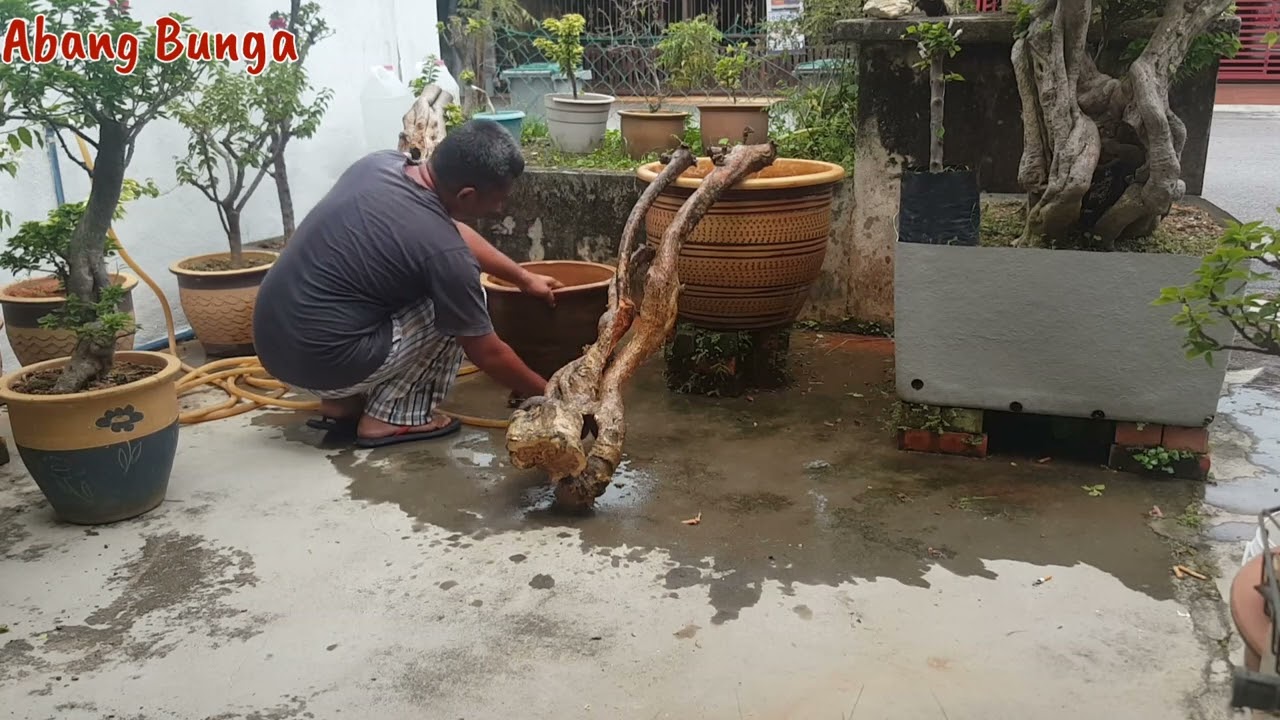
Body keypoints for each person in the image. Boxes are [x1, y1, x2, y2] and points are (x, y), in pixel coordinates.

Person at [252, 119, 562, 448]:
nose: (500, 208)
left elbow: (449, 233)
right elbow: (486, 352)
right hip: (325, 363)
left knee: (397, 289)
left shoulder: (380, 164)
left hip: (274, 349)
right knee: (457, 306)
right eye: (498, 199)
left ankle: (340, 405)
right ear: (466, 194)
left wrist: (524, 278)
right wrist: (551, 396)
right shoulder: (445, 255)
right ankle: (392, 418)